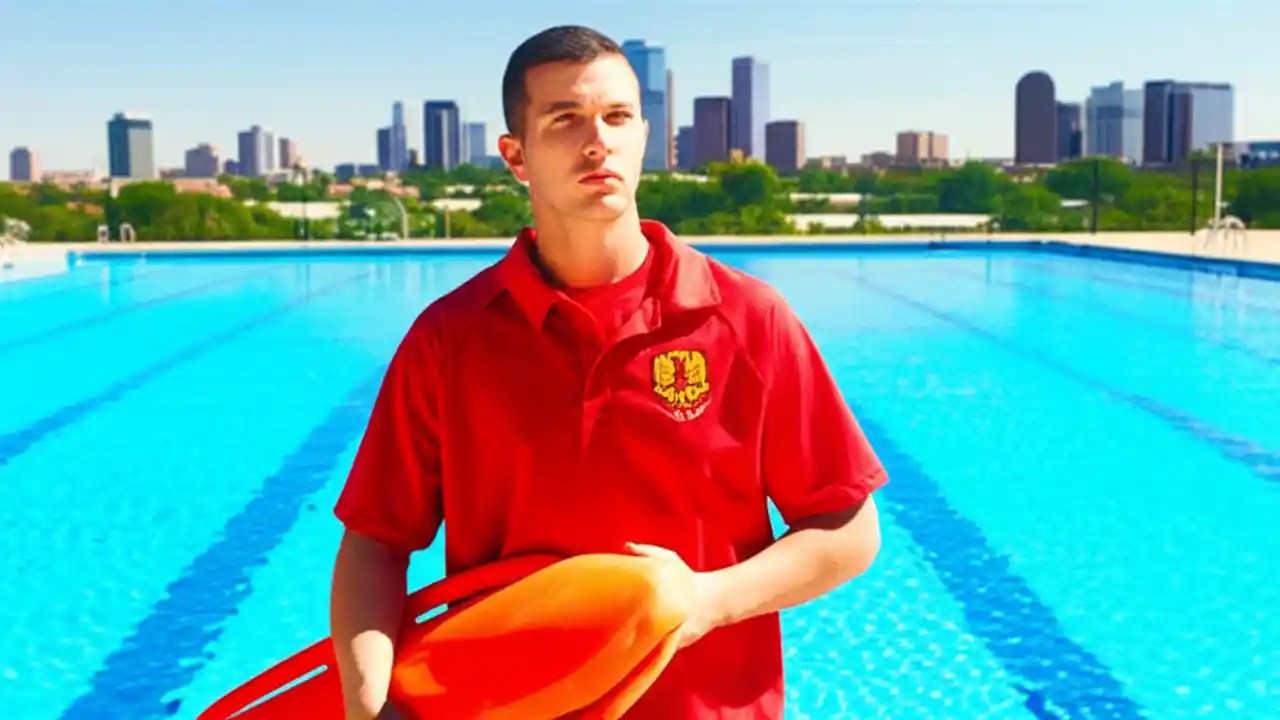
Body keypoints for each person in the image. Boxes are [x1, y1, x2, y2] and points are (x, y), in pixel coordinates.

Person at [329, 24, 888, 720]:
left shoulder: (745, 319)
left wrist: (707, 602)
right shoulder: (451, 339)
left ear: (644, 136)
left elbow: (848, 526)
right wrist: (369, 707)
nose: (598, 140)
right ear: (516, 156)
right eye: (565, 120)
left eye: (617, 117)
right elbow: (376, 541)